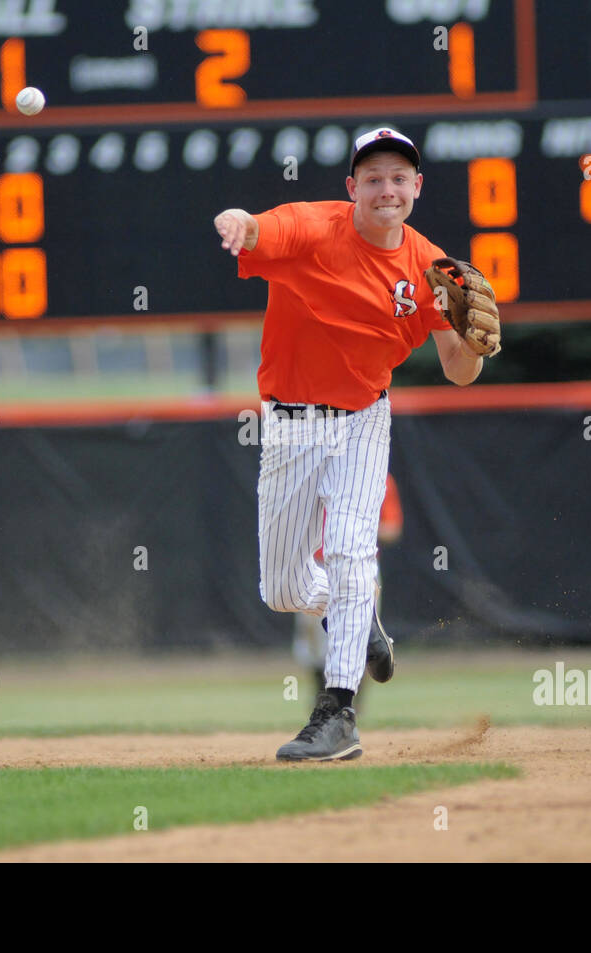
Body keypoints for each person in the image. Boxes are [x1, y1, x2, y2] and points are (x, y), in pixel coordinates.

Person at [213, 127, 495, 761]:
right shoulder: (314, 228)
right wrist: (237, 221)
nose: (386, 189)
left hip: (365, 417)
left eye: (399, 177)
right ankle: (357, 615)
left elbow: (458, 369)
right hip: (289, 421)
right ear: (352, 188)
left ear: (417, 188)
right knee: (282, 590)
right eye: (373, 178)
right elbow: (263, 229)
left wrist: (471, 341)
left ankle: (337, 715)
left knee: (348, 548)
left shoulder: (431, 267)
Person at [292, 472, 404, 705]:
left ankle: (349, 707)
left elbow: (391, 529)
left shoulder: (378, 475)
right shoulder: (314, 473)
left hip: (359, 563)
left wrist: (353, 530)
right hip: (315, 565)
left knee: (359, 637)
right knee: (315, 644)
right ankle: (323, 702)